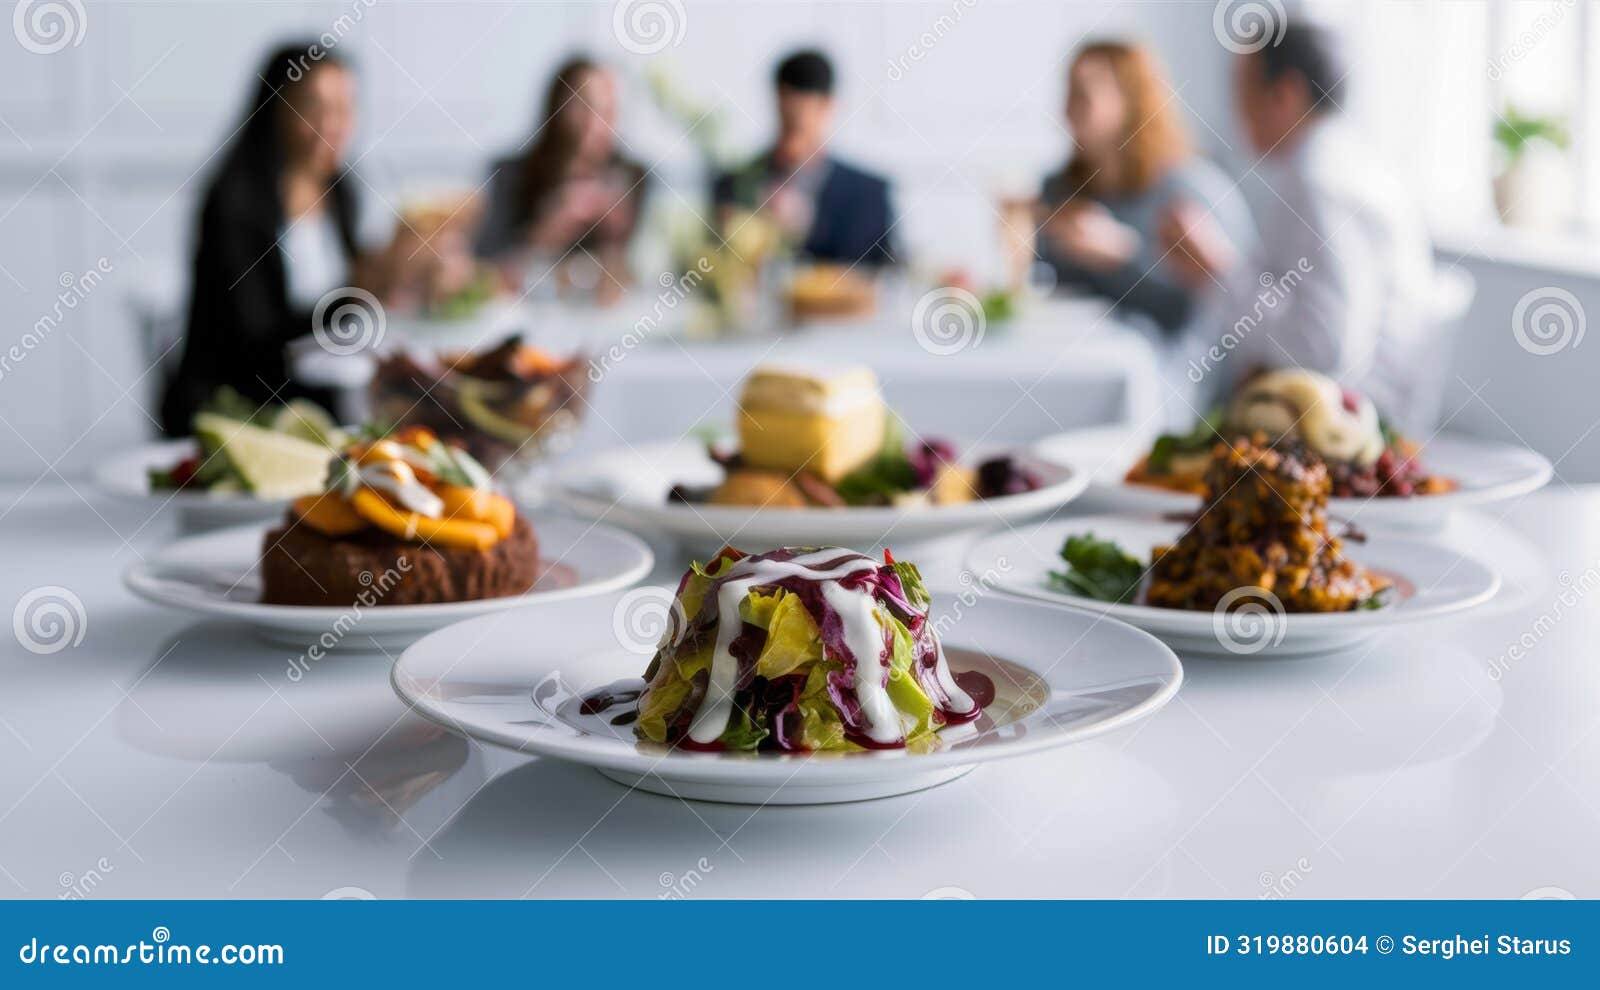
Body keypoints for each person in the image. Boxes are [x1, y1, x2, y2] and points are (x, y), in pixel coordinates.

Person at [1160, 18, 1434, 420]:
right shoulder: (1348, 162)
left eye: (1243, 92)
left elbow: (1323, 349)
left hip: (1349, 422)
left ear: (1284, 94)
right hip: (1354, 406)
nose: (1236, 113)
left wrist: (1214, 270)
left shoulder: (1317, 182)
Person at [160, 43, 441, 434]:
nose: (332, 125)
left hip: (322, 395)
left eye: (343, 109)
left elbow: (352, 297)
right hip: (241, 404)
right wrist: (361, 288)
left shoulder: (342, 189)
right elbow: (257, 338)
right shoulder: (234, 203)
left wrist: (401, 275)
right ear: (274, 109)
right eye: (312, 108)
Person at [1038, 41, 1254, 335]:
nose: (1067, 111)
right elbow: (1049, 292)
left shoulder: (1189, 190)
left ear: (1131, 100)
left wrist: (1123, 258)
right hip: (1081, 362)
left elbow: (1210, 315)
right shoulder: (1059, 190)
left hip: (1174, 371)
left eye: (1082, 95)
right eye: (1068, 93)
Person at [475, 57, 648, 296]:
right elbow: (481, 271)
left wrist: (618, 241)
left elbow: (652, 277)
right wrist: (543, 234)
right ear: (556, 107)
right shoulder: (511, 173)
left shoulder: (635, 177)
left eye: (608, 110)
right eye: (584, 107)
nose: (595, 123)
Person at [713, 50, 896, 268]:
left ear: (827, 106)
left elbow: (885, 271)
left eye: (800, 120)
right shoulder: (732, 185)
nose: (792, 134)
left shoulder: (869, 194)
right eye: (786, 116)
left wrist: (805, 226)